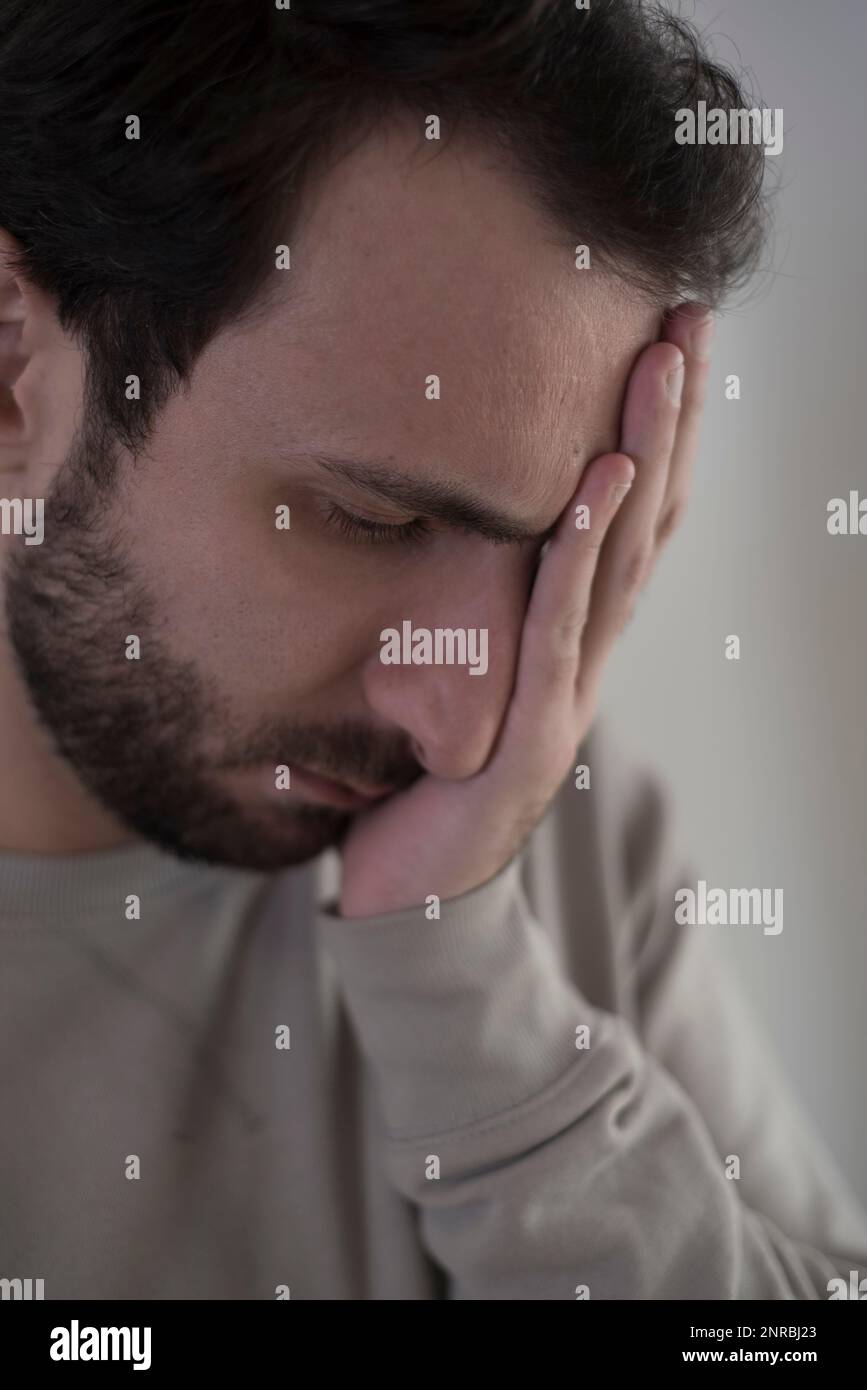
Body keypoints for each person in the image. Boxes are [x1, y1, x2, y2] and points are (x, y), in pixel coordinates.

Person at [0, 0, 864, 1300]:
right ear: (16, 367)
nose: (462, 727)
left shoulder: (530, 831)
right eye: (377, 520)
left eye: (552, 563)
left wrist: (467, 993)